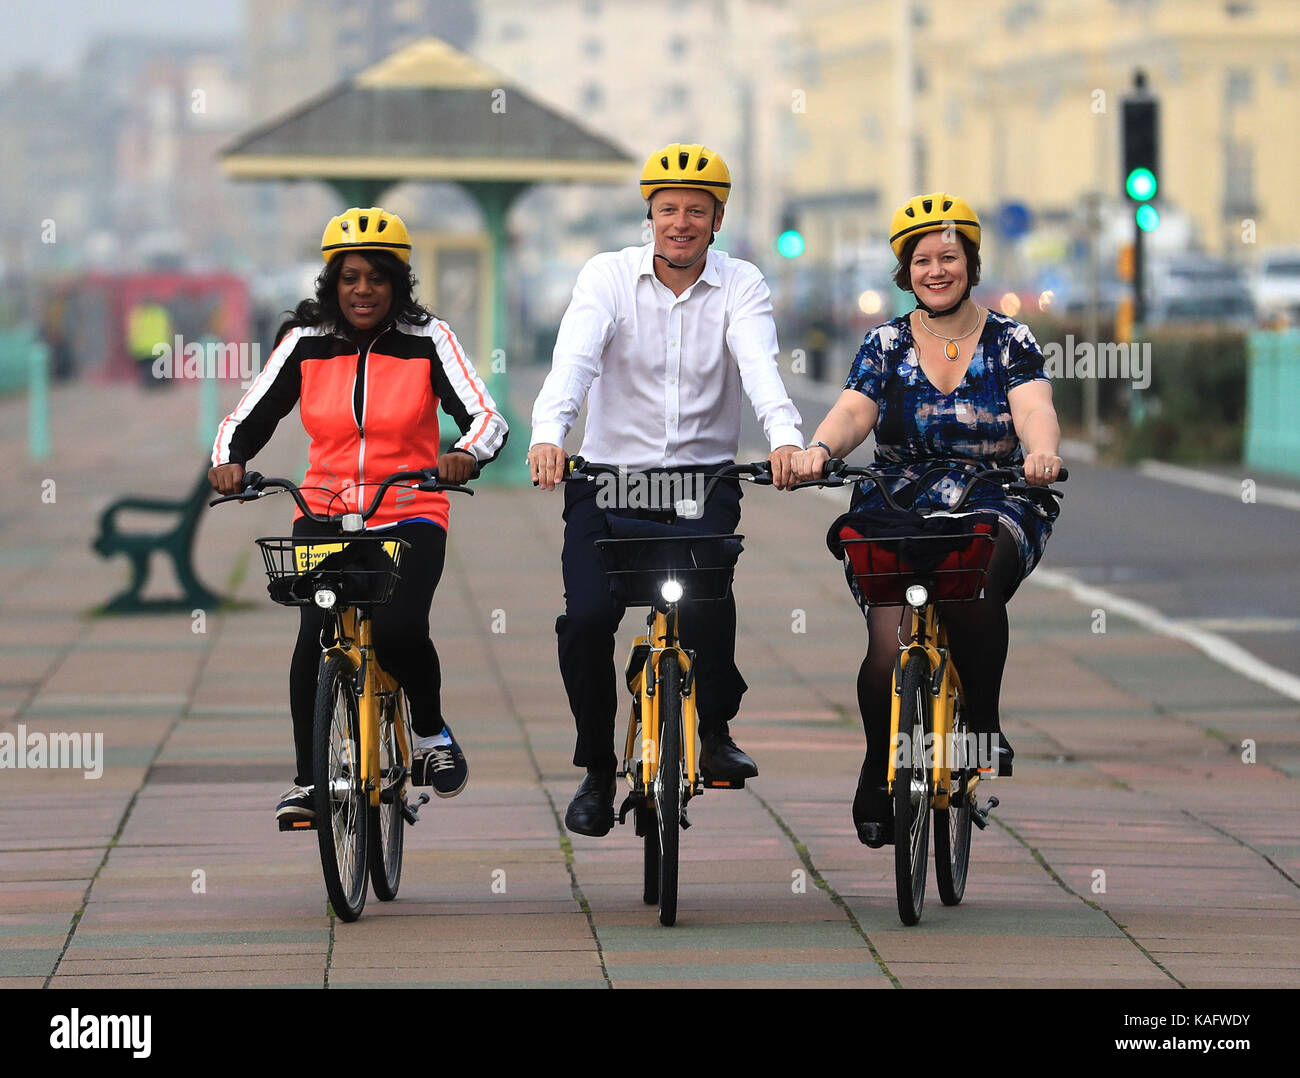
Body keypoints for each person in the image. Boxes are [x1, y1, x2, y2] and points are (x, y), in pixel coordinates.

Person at [529, 143, 804, 837]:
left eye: (697, 211)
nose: (681, 222)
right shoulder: (608, 277)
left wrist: (784, 439)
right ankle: (596, 768)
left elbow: (758, 365)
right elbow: (576, 360)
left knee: (706, 596)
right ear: (648, 216)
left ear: (717, 220)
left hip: (699, 484)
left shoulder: (741, 284)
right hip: (608, 485)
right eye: (668, 209)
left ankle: (713, 728)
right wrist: (548, 434)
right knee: (587, 622)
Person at [208, 207, 508, 821]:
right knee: (313, 638)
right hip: (323, 510)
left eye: (377, 277)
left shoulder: (429, 341)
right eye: (349, 277)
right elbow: (249, 416)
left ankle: (428, 734)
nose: (363, 290)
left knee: (398, 629)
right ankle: (311, 783)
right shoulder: (305, 343)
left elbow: (486, 418)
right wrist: (228, 461)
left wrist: (464, 455)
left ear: (398, 282)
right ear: (331, 283)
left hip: (408, 510)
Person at [789, 192, 1063, 848]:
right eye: (921, 260)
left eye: (948, 256)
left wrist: (1043, 450)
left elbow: (1033, 407)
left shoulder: (1009, 338)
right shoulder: (883, 343)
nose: (935, 270)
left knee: (972, 579)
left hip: (995, 493)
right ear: (904, 272)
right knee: (888, 647)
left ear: (971, 262)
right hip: (898, 499)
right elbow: (855, 410)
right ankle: (877, 768)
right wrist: (819, 451)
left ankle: (982, 726)